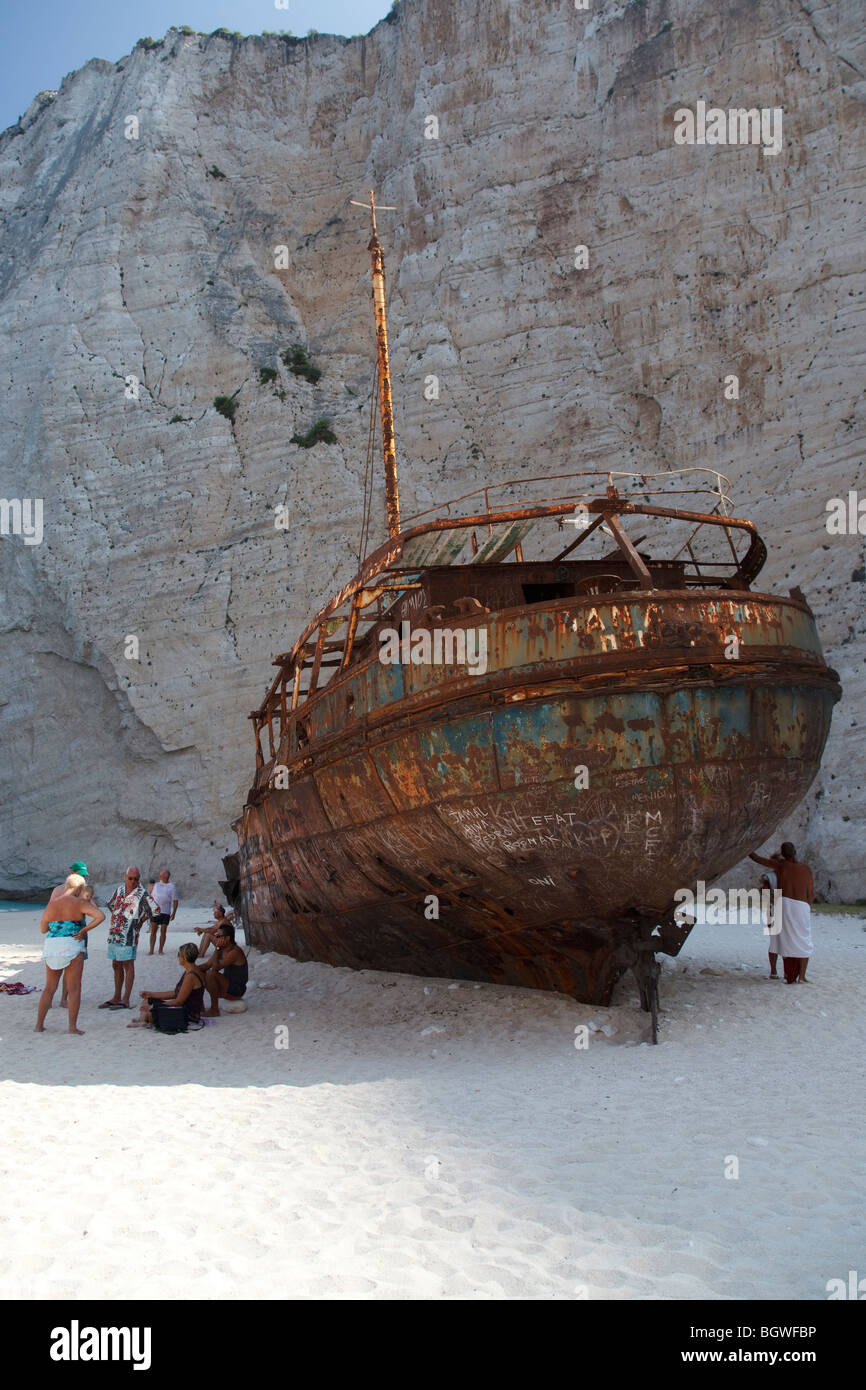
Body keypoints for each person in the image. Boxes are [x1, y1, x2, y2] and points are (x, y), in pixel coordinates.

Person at [35, 874, 105, 1034]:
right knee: (74, 989)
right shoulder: (79, 902)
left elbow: (43, 929)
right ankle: (72, 1027)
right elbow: (100, 916)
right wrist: (84, 930)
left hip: (52, 946)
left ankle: (39, 1025)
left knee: (49, 988)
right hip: (72, 946)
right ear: (80, 888)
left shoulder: (51, 904)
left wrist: (57, 925)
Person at [749, 843, 814, 984]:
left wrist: (746, 847)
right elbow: (810, 892)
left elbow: (757, 858)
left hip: (784, 904)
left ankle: (776, 971)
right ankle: (802, 977)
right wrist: (808, 907)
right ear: (795, 851)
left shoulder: (781, 866)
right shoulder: (806, 869)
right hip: (803, 906)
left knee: (777, 940)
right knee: (804, 940)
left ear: (782, 855)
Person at [100, 867, 158, 1009]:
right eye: (130, 878)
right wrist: (117, 917)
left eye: (136, 879)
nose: (133, 881)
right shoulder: (119, 890)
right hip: (115, 934)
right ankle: (116, 996)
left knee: (127, 965)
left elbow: (155, 910)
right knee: (116, 964)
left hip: (129, 936)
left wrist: (141, 921)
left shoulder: (142, 893)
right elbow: (110, 904)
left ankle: (126, 999)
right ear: (125, 877)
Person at [128, 943, 206, 1029]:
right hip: (182, 1008)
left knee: (152, 1011)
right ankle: (142, 1020)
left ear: (185, 957)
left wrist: (154, 1006)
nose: (178, 957)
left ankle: (146, 1020)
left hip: (187, 1014)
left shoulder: (191, 976)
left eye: (179, 955)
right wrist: (151, 994)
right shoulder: (189, 971)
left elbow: (178, 1001)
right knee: (148, 1000)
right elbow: (175, 993)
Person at [199, 922, 248, 1016]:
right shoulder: (221, 950)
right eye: (216, 935)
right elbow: (207, 965)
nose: (216, 938)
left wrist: (217, 949)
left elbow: (215, 968)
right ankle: (200, 1005)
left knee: (211, 974)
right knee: (199, 973)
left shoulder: (234, 952)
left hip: (236, 989)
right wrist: (193, 969)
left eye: (218, 936)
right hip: (226, 984)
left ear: (227, 938)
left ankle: (214, 1010)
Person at [60, 884, 96, 1008]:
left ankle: (71, 997)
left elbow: (96, 911)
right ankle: (64, 999)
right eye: (87, 896)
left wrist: (89, 900)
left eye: (90, 897)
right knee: (67, 970)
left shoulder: (84, 904)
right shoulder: (75, 904)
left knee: (75, 972)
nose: (88, 899)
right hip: (72, 938)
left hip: (81, 938)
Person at [149, 869, 180, 955]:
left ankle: (160, 950)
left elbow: (175, 901)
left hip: (165, 911)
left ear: (166, 876)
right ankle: (151, 950)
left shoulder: (172, 886)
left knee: (163, 930)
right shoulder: (156, 885)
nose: (160, 876)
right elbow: (152, 897)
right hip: (155, 910)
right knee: (153, 930)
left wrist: (174, 913)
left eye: (161, 875)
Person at [759, 871, 780, 977]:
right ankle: (778, 971)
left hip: (773, 909)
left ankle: (774, 970)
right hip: (779, 909)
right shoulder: (774, 876)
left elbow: (764, 892)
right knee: (781, 942)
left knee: (774, 942)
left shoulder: (770, 877)